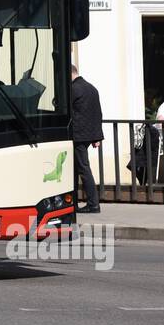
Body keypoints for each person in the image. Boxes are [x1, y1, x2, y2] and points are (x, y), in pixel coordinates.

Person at [70, 65, 103, 214]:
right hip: (88, 134)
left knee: (83, 168)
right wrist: (97, 136)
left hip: (78, 134)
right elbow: (97, 113)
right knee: (79, 168)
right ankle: (74, 203)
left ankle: (93, 204)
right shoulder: (91, 88)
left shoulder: (74, 89)